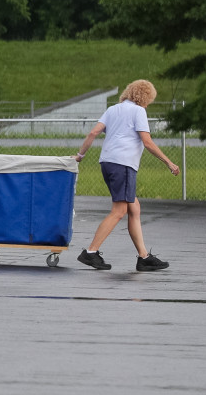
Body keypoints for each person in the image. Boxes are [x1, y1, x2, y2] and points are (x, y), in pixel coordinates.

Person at [75, 79, 180, 272]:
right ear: (145, 97)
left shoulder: (113, 109)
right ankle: (91, 251)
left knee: (134, 208)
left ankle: (144, 257)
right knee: (119, 211)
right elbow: (147, 142)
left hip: (107, 162)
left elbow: (93, 133)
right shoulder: (138, 111)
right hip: (123, 164)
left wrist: (80, 156)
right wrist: (169, 162)